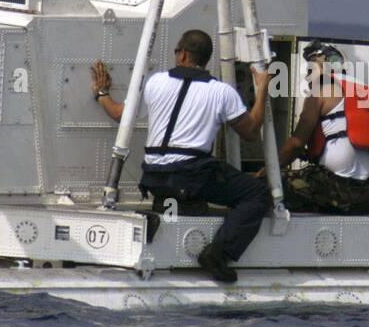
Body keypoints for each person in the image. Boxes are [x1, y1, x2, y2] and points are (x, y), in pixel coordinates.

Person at [91, 29, 272, 283]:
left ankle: (161, 223)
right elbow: (252, 132)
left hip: (153, 176)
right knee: (257, 193)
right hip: (191, 177)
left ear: (183, 54)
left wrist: (101, 93)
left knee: (190, 182)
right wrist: (262, 88)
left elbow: (120, 115)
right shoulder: (221, 92)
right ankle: (218, 255)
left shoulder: (155, 82)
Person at [275, 41, 369, 213]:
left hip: (334, 188)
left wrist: (269, 170)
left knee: (267, 185)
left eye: (311, 70)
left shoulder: (320, 91)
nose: (306, 77)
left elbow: (296, 144)